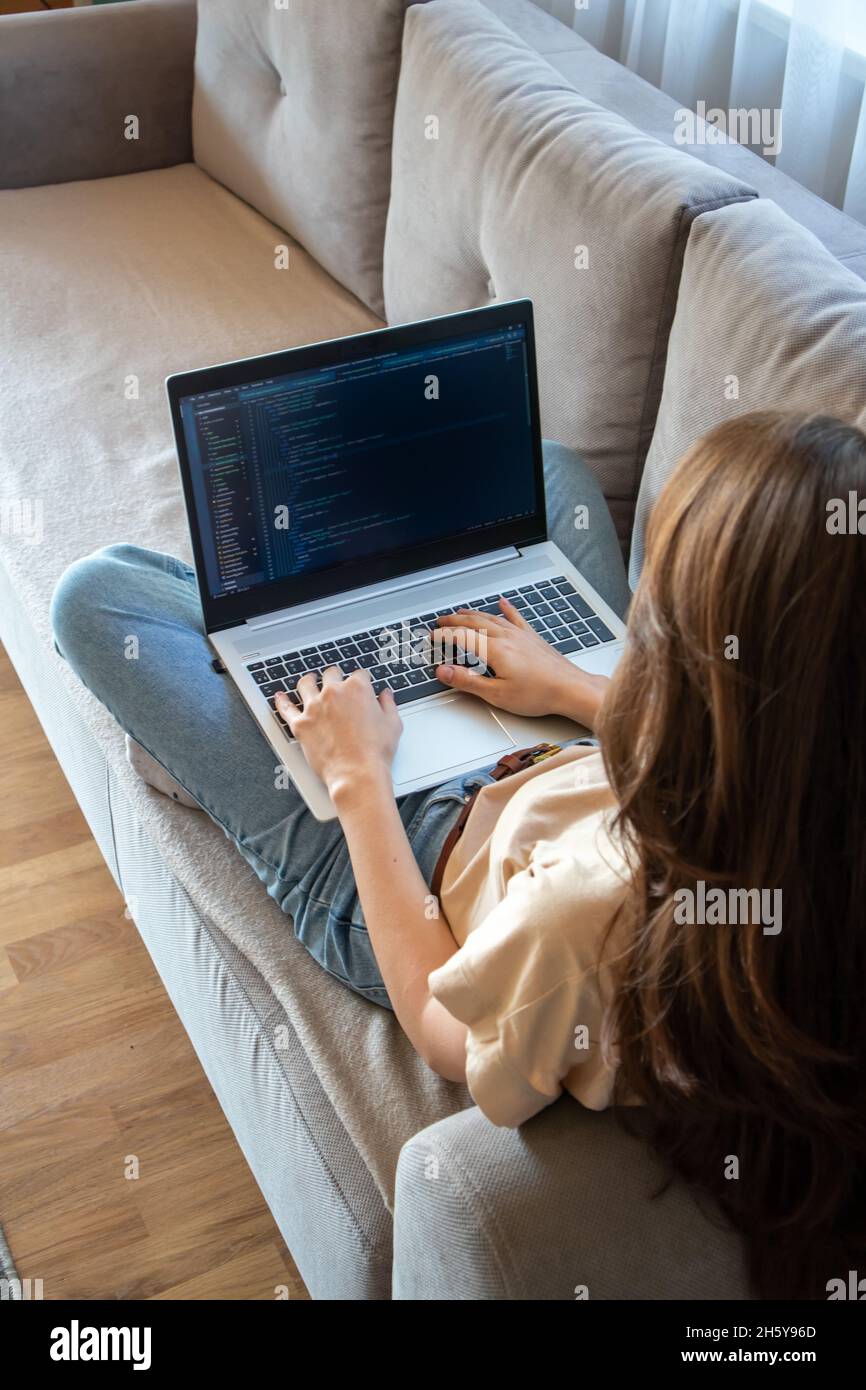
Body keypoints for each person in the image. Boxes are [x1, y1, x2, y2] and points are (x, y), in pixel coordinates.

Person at [50, 412, 866, 1298]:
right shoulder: (816, 805)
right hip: (565, 747)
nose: (643, 631)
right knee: (546, 473)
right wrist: (569, 685)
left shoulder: (579, 928)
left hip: (415, 856)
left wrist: (357, 777)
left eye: (657, 622)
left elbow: (446, 1035)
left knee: (98, 597)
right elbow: (719, 750)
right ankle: (277, 707)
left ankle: (264, 743)